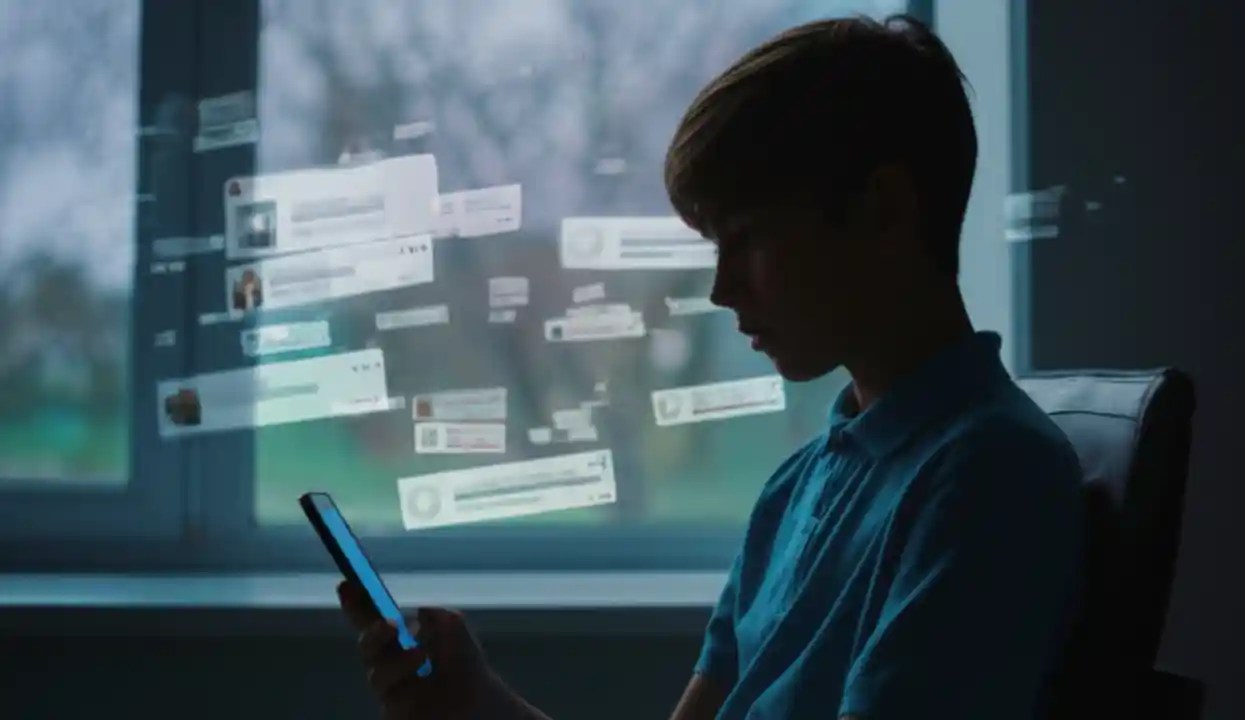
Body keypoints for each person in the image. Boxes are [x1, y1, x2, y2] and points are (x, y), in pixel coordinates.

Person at [338, 13, 1084, 720]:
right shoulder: (796, 489)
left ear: (883, 210)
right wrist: (479, 705)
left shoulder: (990, 477)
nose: (723, 290)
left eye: (749, 238)